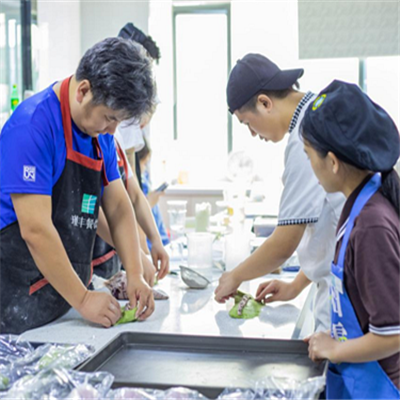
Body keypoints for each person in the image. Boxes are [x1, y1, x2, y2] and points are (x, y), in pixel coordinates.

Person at [0, 37, 155, 334]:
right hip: (13, 295)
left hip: (60, 298)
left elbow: (119, 207)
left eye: (118, 123)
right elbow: (35, 229)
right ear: (83, 90)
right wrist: (83, 299)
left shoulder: (100, 137)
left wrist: (135, 271)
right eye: (109, 118)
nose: (111, 131)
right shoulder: (33, 127)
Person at [214, 54, 345, 332]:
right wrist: (296, 285)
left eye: (247, 122)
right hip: (342, 282)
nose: (252, 133)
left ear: (264, 103)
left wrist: (234, 277)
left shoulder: (304, 139)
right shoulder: (316, 112)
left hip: (347, 294)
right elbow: (329, 222)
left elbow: (285, 242)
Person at [302, 80, 400, 399]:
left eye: (309, 155)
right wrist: (334, 337)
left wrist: (335, 348)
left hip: (382, 386)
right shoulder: (359, 202)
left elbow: (393, 334)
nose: (310, 166)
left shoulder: (372, 224)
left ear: (332, 161)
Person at [137, 139, 170, 249]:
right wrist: (148, 204)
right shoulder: (135, 189)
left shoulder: (144, 183)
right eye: (144, 163)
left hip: (160, 244)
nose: (145, 168)